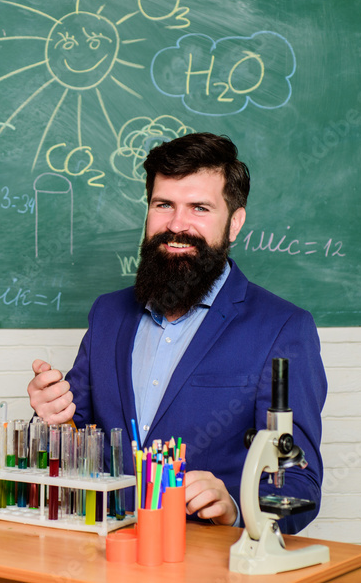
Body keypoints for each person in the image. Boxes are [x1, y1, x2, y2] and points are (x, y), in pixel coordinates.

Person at [27, 132, 327, 534]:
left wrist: (236, 506)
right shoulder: (108, 314)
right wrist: (54, 419)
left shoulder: (283, 328)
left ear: (234, 222)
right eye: (163, 204)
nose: (177, 224)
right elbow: (77, 437)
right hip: (102, 552)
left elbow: (300, 488)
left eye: (199, 208)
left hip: (204, 564)